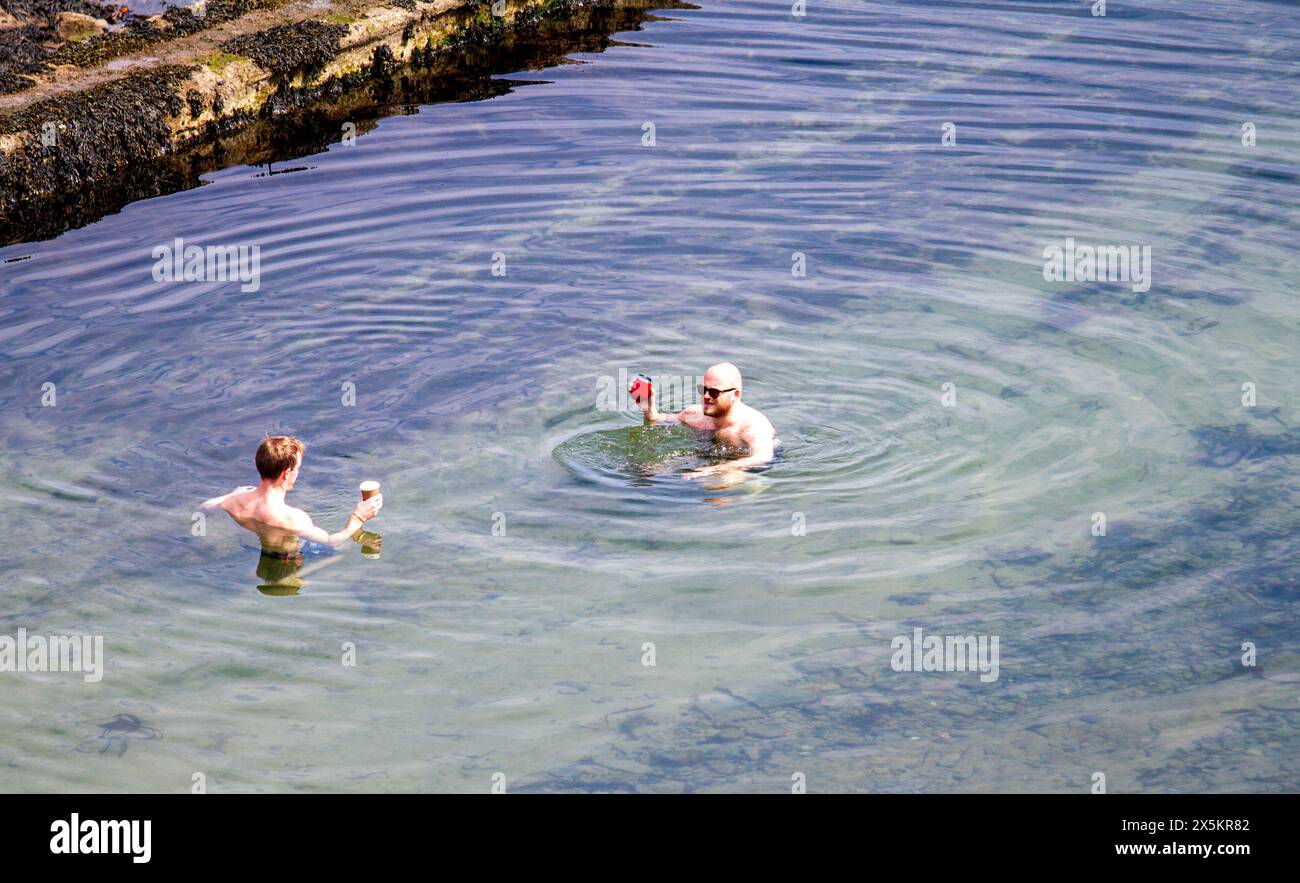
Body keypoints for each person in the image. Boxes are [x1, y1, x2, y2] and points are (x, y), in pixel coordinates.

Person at [201, 436, 382, 555]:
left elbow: (206, 506)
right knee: (344, 548)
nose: (297, 473)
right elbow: (330, 541)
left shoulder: (237, 496)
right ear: (286, 474)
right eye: (297, 469)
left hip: (264, 548)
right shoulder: (293, 518)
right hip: (286, 556)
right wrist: (358, 517)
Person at [633, 362, 777, 477]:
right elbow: (657, 419)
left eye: (714, 392)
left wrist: (713, 471)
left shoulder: (753, 426)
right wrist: (648, 407)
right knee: (648, 469)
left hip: (744, 468)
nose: (706, 396)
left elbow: (763, 458)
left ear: (736, 394)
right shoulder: (694, 415)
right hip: (707, 458)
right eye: (703, 390)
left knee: (717, 487)